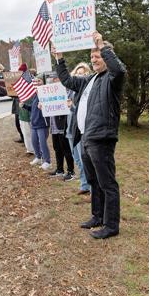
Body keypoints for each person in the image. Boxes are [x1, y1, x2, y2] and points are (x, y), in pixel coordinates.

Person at [54, 31, 126, 239]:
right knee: (94, 181)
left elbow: (119, 71)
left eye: (98, 56)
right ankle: (97, 216)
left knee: (107, 183)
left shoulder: (112, 79)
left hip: (101, 138)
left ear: (107, 56)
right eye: (92, 56)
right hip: (86, 137)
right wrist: (59, 59)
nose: (94, 59)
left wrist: (103, 46)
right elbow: (67, 80)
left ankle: (111, 225)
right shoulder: (89, 79)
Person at [66, 62, 92, 194]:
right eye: (77, 73)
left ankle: (93, 189)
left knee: (84, 160)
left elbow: (83, 112)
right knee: (77, 159)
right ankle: (84, 185)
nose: (79, 76)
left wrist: (72, 106)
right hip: (70, 130)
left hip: (80, 131)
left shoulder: (86, 92)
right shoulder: (69, 91)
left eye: (82, 74)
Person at [44, 74, 75, 180]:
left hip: (63, 125)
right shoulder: (51, 95)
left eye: (59, 82)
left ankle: (71, 171)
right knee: (57, 148)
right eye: (55, 82)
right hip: (54, 125)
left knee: (66, 149)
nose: (57, 84)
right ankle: (60, 169)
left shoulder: (67, 94)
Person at [26, 76, 52, 171]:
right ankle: (38, 156)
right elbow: (32, 108)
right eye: (36, 81)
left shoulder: (46, 93)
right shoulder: (34, 94)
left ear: (43, 82)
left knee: (42, 142)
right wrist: (24, 106)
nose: (37, 82)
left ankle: (47, 161)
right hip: (34, 123)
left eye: (39, 80)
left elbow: (50, 107)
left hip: (42, 123)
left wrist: (43, 106)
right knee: (34, 141)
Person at [17, 64, 34, 155]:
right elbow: (10, 91)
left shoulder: (31, 81)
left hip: (30, 112)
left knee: (32, 133)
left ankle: (35, 150)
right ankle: (30, 150)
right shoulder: (19, 82)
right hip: (22, 113)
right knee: (26, 133)